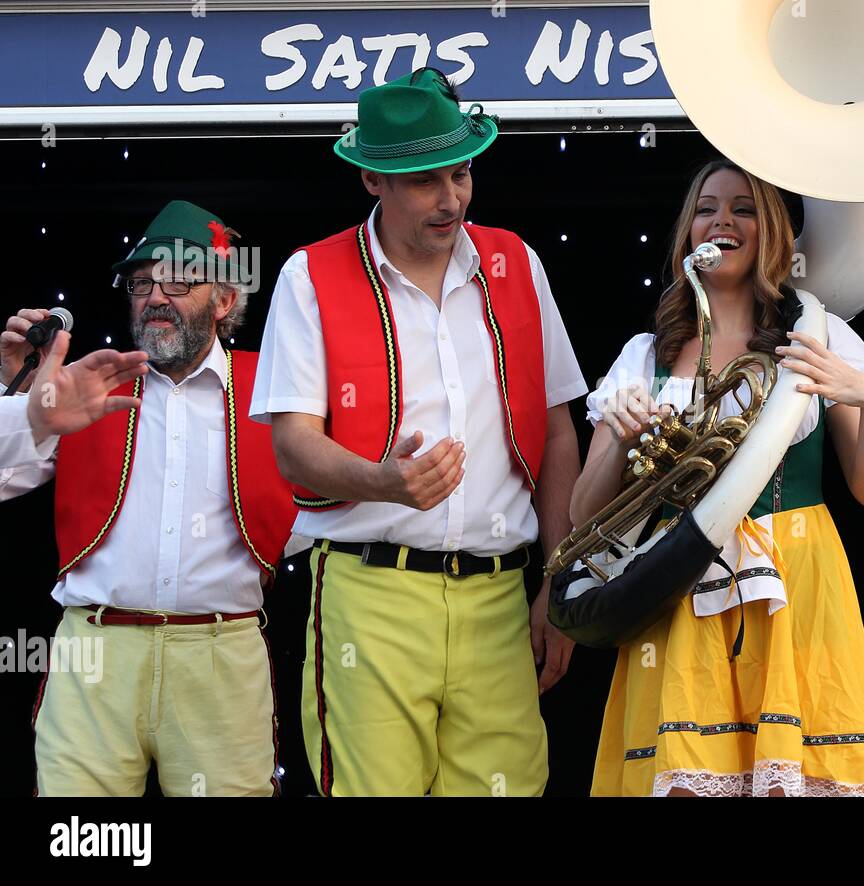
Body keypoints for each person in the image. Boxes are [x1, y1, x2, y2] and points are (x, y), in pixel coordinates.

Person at [251, 67, 587, 797]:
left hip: (500, 597)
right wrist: (383, 482)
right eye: (426, 180)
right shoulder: (308, 276)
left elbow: (560, 432)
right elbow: (291, 444)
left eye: (461, 174)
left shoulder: (517, 263)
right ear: (373, 178)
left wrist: (558, 584)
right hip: (369, 594)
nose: (452, 198)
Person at [574, 159, 864, 796]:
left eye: (743, 208)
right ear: (687, 233)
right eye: (706, 208)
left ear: (771, 230)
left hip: (797, 579)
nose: (722, 220)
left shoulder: (818, 335)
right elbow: (581, 522)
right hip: (677, 584)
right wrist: (615, 434)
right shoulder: (644, 356)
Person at [0, 200, 300, 796]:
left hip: (223, 654)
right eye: (142, 282)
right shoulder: (89, 384)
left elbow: (332, 511)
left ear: (224, 300)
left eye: (180, 278)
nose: (156, 295)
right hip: (94, 654)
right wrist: (20, 399)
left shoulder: (276, 387)